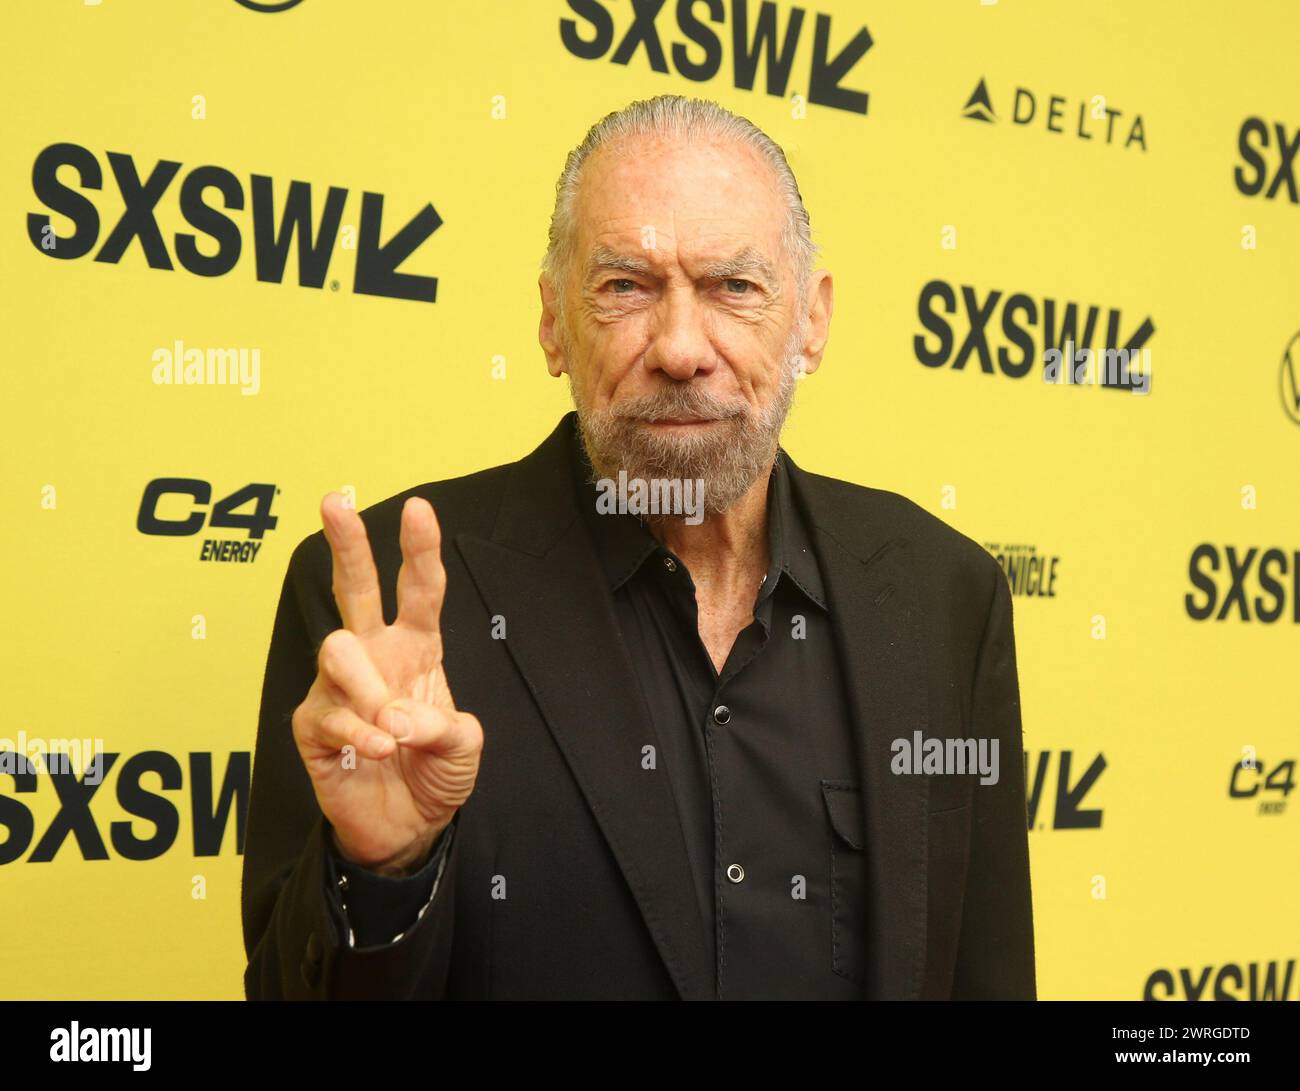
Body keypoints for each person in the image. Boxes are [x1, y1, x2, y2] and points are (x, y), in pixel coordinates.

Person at [241, 94, 1036, 1000]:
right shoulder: (379, 603)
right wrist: (386, 870)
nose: (681, 347)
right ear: (552, 322)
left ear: (811, 320)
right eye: (626, 286)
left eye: (734, 286)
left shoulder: (943, 596)